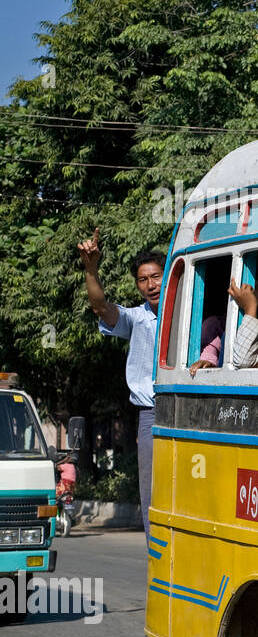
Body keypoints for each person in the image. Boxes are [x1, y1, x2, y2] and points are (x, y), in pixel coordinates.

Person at [78, 228, 163, 544]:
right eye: (143, 280)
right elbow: (101, 307)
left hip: (190, 408)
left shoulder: (187, 313)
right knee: (152, 495)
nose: (151, 285)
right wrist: (91, 268)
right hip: (151, 414)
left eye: (156, 276)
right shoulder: (136, 319)